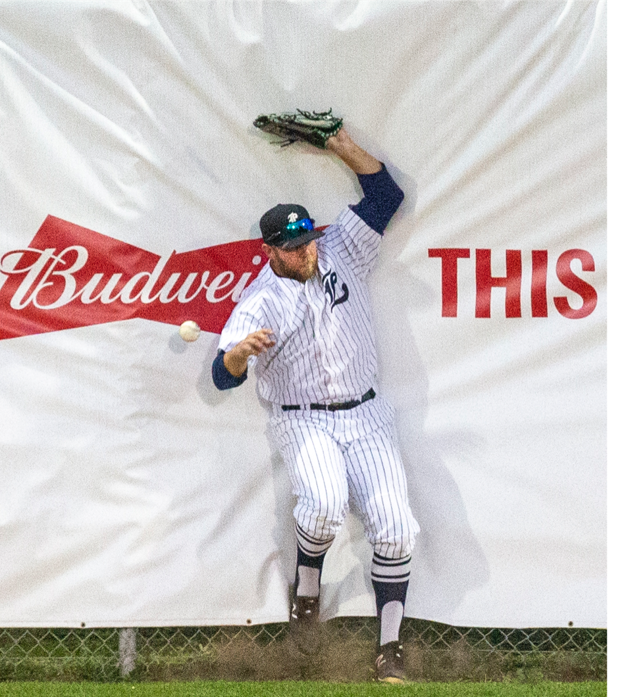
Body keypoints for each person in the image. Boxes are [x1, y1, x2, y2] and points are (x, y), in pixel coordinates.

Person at [211, 127, 419, 684]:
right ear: (270, 251)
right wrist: (238, 356)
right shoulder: (260, 299)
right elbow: (221, 376)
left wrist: (339, 143)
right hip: (303, 419)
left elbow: (387, 196)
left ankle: (390, 648)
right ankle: (307, 590)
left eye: (307, 241)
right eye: (292, 247)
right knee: (323, 506)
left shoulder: (340, 248)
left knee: (397, 529)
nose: (305, 252)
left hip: (366, 415)